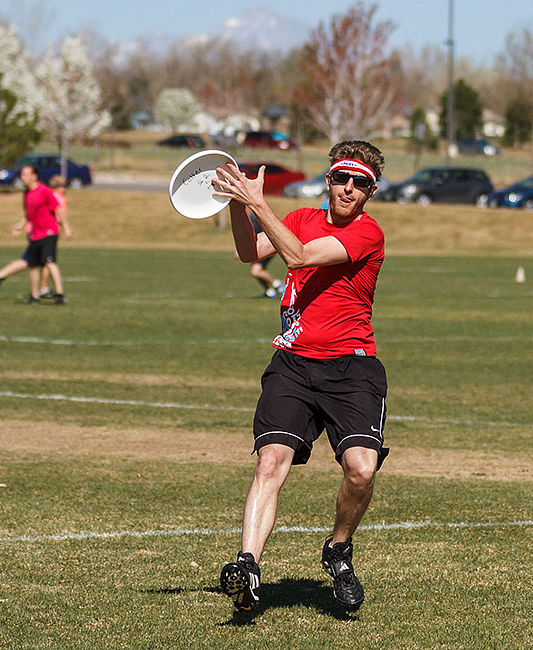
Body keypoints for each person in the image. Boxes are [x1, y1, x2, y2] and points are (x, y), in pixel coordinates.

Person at [212, 140, 388, 613]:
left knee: (361, 469)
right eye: (341, 178)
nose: (349, 188)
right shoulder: (299, 217)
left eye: (360, 183)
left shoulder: (368, 233)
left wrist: (258, 201)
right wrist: (236, 205)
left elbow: (298, 258)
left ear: (370, 192)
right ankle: (247, 567)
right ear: (328, 179)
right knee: (270, 462)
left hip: (352, 369)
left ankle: (338, 547)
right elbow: (249, 252)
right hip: (292, 365)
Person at [14, 166, 71, 304]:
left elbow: (57, 209)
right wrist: (20, 226)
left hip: (49, 232)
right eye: (22, 175)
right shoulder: (26, 193)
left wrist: (66, 227)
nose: (23, 178)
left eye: (25, 175)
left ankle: (59, 294)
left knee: (50, 261)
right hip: (35, 234)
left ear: (34, 176)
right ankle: (35, 296)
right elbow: (29, 213)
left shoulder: (44, 190)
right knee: (33, 266)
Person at [242, 212, 285, 299]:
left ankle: (278, 285)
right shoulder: (251, 215)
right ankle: (269, 291)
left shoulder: (256, 215)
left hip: (266, 246)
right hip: (259, 246)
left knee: (256, 271)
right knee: (256, 269)